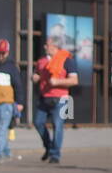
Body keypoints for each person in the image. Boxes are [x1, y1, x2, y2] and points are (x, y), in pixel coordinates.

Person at [32, 34, 78, 164]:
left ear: (55, 46)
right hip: (44, 97)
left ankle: (55, 154)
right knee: (38, 122)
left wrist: (57, 82)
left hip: (62, 99)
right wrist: (35, 77)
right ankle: (49, 146)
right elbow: (37, 73)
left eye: (47, 44)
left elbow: (74, 80)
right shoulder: (41, 60)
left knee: (58, 126)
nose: (45, 46)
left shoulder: (67, 60)